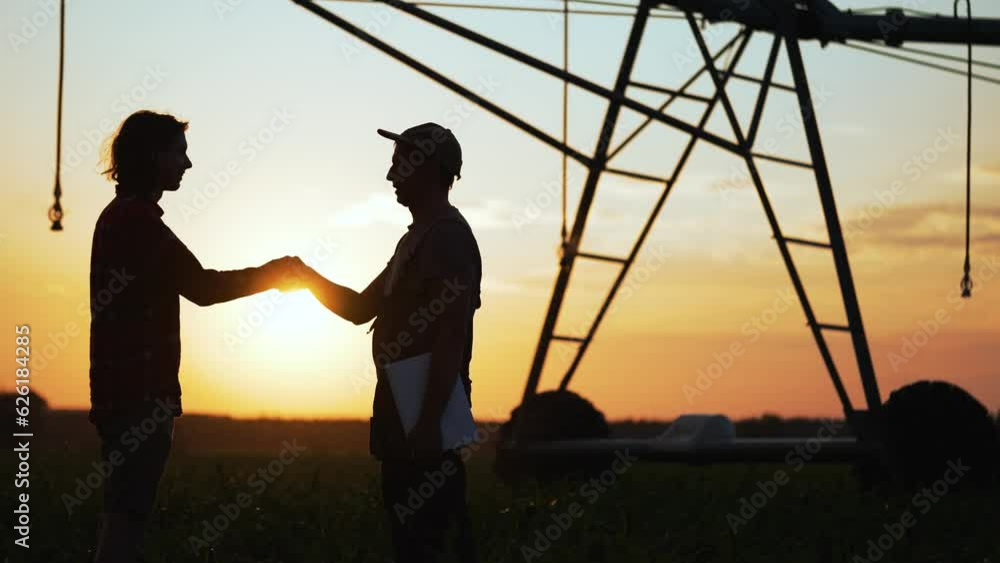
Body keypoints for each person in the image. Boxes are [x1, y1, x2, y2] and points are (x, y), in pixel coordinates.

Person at [88, 110, 303, 563]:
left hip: (124, 397)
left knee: (122, 520)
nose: (187, 165)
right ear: (153, 156)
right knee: (127, 525)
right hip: (139, 398)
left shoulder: (120, 217)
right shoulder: (138, 223)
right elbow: (203, 288)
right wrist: (273, 275)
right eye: (180, 153)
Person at [301, 123, 481, 562]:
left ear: (429, 169)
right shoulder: (412, 242)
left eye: (400, 164)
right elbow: (361, 308)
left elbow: (450, 338)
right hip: (401, 416)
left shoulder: (449, 238)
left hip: (424, 423)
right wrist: (304, 278)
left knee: (428, 544)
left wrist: (425, 424)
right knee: (409, 543)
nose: (390, 177)